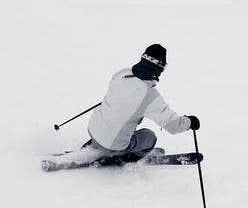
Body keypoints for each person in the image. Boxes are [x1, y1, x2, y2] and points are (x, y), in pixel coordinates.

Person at [47, 44, 199, 169]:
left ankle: (95, 145)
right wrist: (190, 122)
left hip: (93, 129)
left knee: (114, 120)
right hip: (113, 144)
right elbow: (173, 126)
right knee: (149, 136)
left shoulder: (121, 74)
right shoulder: (150, 96)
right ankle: (121, 157)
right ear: (159, 69)